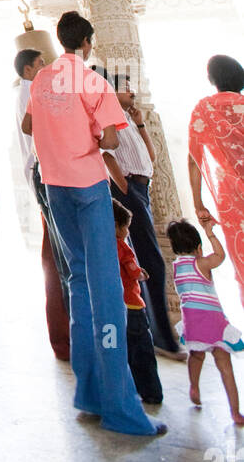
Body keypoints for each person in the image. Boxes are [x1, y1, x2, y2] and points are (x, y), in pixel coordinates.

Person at [23, 11, 166, 437]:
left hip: (55, 187)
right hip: (86, 187)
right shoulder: (92, 82)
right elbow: (111, 139)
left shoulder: (42, 80)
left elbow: (29, 126)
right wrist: (88, 135)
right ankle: (122, 410)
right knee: (107, 293)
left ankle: (88, 394)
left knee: (79, 283)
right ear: (86, 42)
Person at [97, 67, 185, 360]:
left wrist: (142, 125)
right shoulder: (107, 115)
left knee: (149, 260)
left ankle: (157, 332)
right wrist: (123, 188)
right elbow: (106, 153)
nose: (131, 92)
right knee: (150, 262)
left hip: (141, 188)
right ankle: (161, 336)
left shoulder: (128, 119)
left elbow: (151, 157)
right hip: (130, 189)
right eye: (126, 88)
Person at [15, 48, 70, 361]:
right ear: (27, 70)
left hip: (49, 175)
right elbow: (37, 131)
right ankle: (64, 338)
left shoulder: (34, 90)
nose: (47, 67)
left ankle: (67, 336)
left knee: (58, 257)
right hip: (47, 175)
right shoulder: (31, 93)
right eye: (41, 64)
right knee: (59, 260)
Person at [168, 217, 244, 425]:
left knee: (196, 356)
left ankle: (194, 386)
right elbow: (220, 256)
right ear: (198, 247)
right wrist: (210, 232)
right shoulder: (200, 263)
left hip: (193, 323)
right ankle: (235, 413)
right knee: (224, 365)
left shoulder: (177, 267)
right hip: (213, 322)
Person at [188, 54, 244, 310]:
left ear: (212, 79)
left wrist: (199, 204)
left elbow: (194, 160)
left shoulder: (205, 109)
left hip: (231, 199)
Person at [112, 199, 163, 404]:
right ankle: (151, 392)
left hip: (115, 306)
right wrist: (141, 274)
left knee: (122, 351)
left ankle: (127, 389)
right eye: (126, 227)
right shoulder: (124, 248)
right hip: (133, 305)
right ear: (116, 226)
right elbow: (133, 271)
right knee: (142, 350)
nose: (128, 232)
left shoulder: (103, 245)